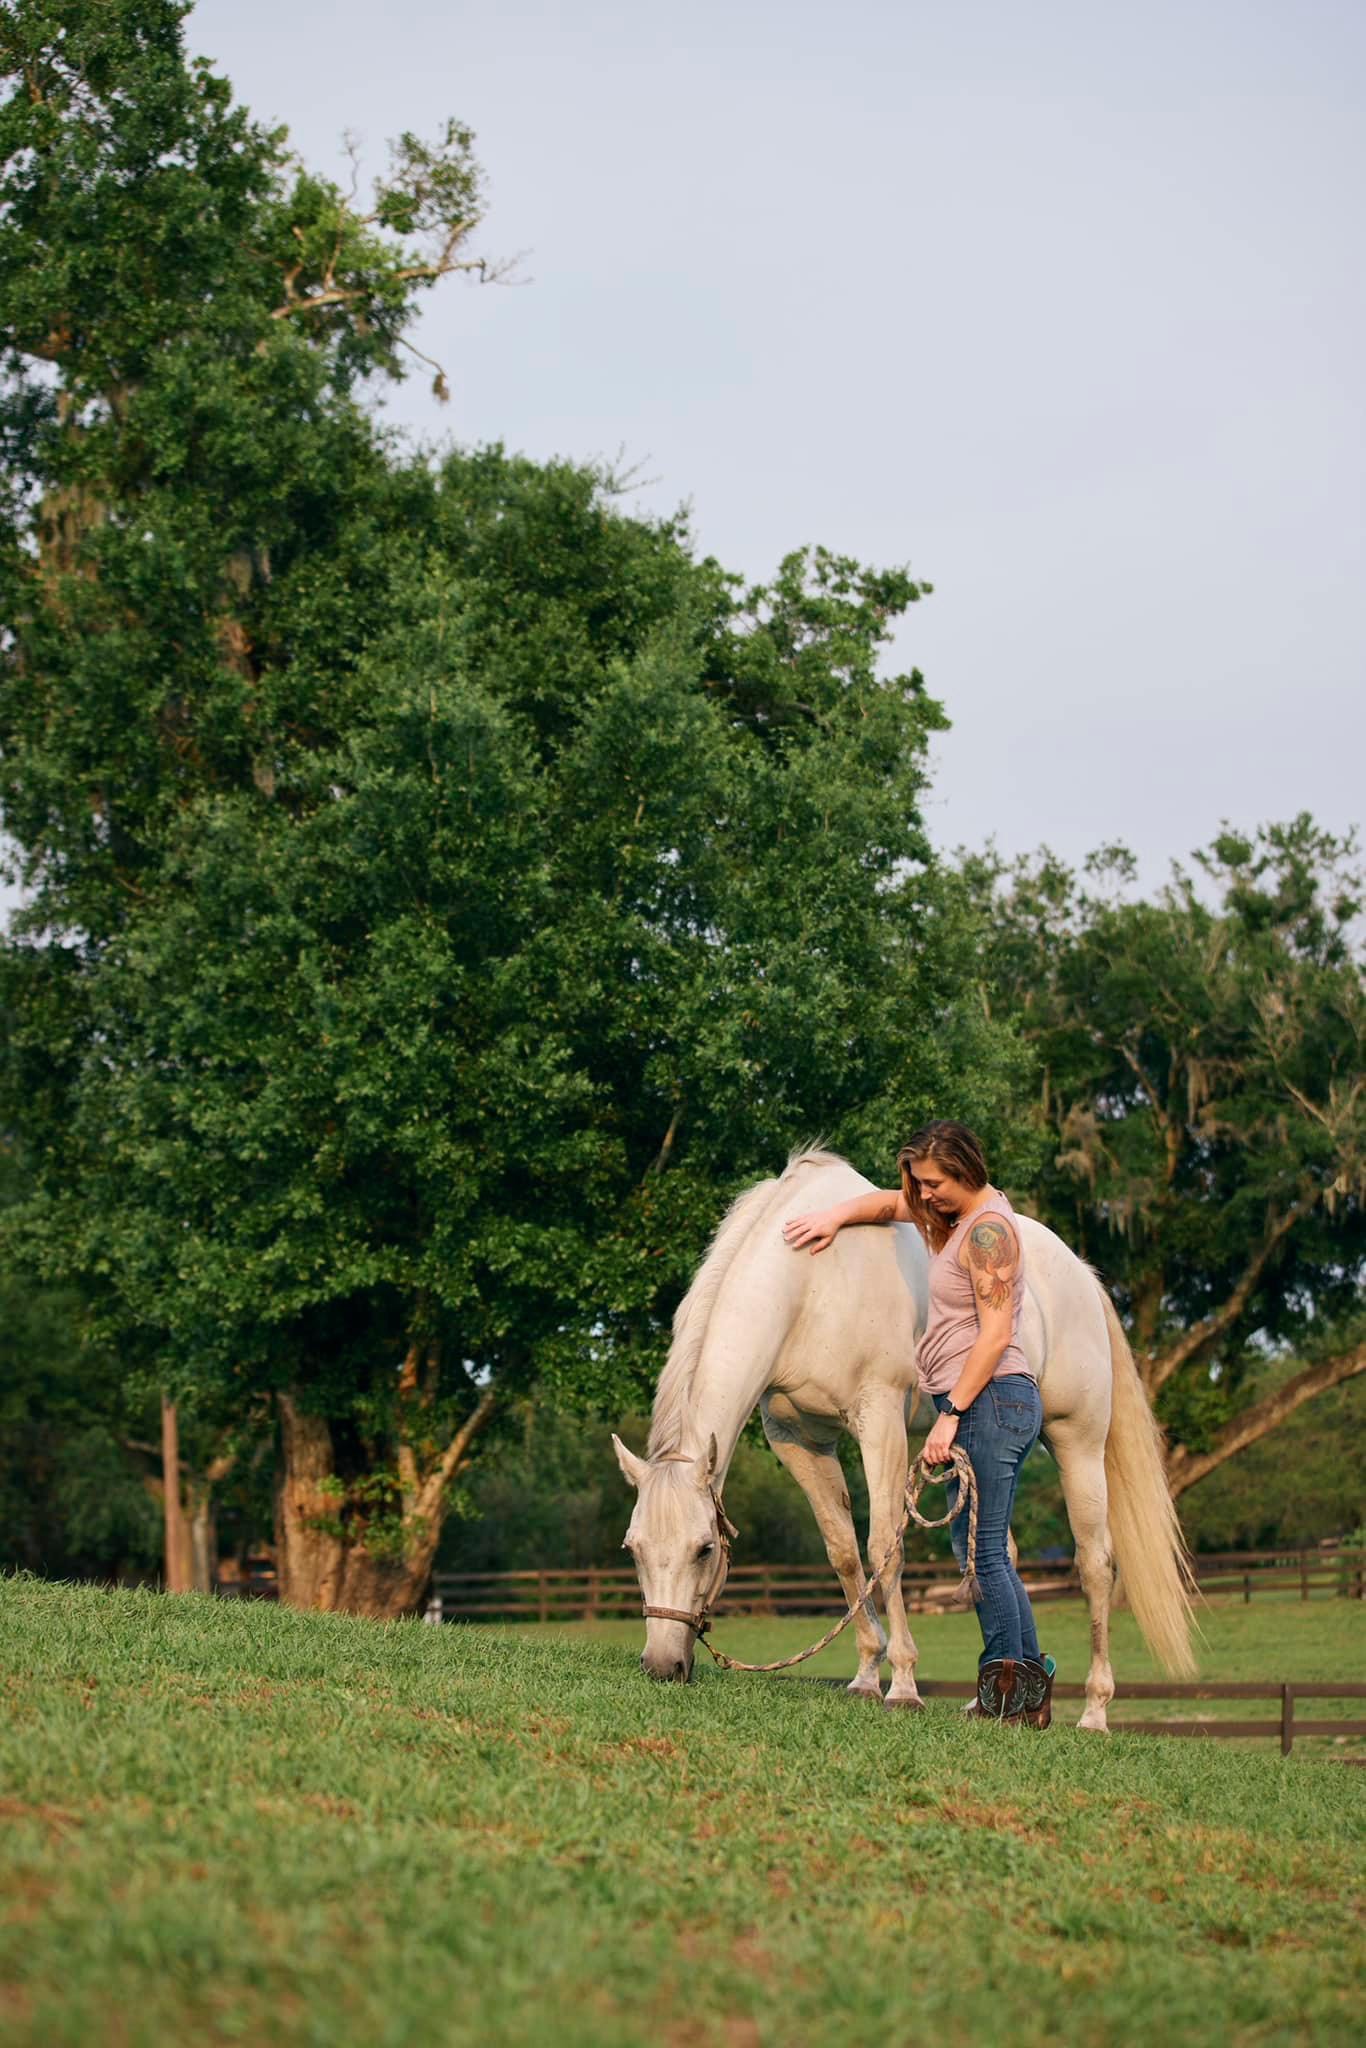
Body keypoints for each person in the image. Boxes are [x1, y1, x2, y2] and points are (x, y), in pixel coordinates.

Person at [782, 1120, 1054, 1726]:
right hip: (979, 1402)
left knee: (985, 1555)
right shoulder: (956, 1220)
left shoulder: (988, 1234)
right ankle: (1027, 1689)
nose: (923, 1195)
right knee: (979, 1549)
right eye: (920, 1184)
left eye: (933, 1183)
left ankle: (1003, 1694)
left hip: (991, 1401)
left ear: (963, 1170)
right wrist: (833, 1218)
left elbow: (998, 1335)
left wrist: (949, 1414)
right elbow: (887, 1202)